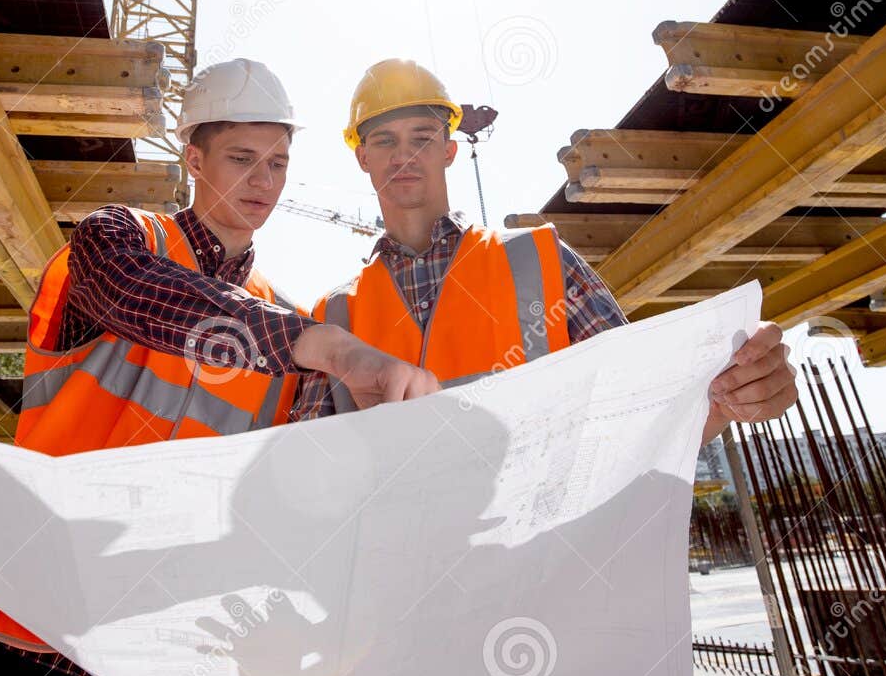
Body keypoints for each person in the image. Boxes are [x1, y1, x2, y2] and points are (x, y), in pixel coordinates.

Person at [0, 58, 438, 676]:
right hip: (40, 643)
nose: (262, 181)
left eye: (277, 163)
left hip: (167, 666)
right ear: (193, 157)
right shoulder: (121, 240)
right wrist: (323, 345)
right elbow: (136, 292)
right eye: (241, 157)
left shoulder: (290, 325)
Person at [296, 58, 797, 441]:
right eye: (384, 141)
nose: (403, 155)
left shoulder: (538, 262)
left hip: (543, 564)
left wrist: (730, 402)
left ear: (449, 148)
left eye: (421, 137)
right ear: (362, 157)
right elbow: (308, 474)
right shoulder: (335, 317)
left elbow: (641, 411)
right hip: (400, 572)